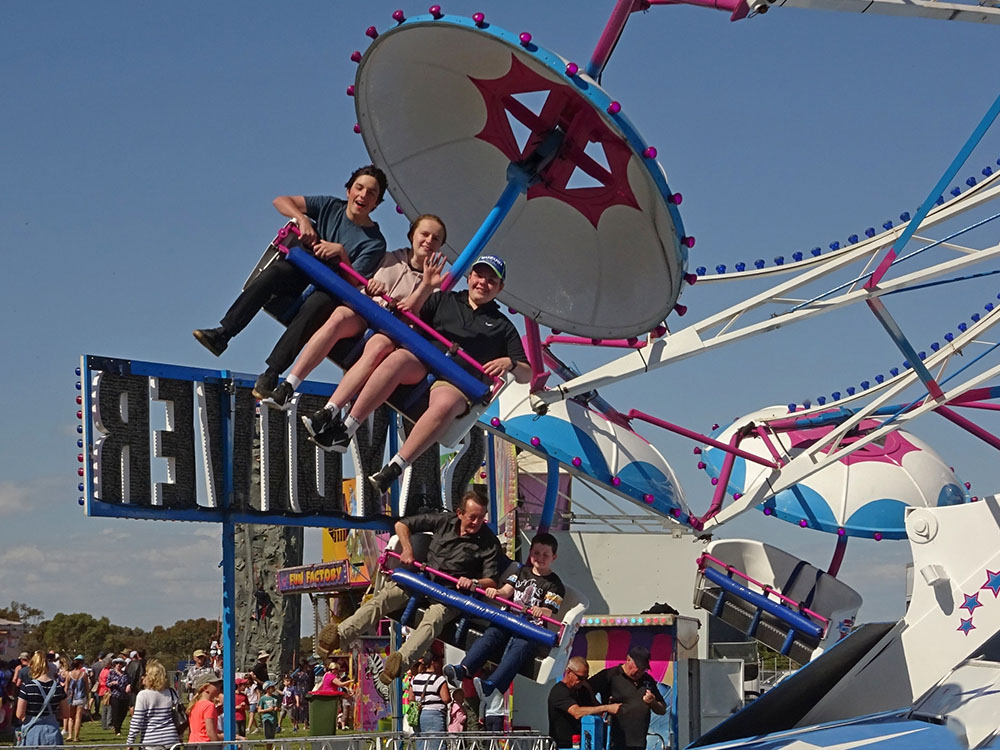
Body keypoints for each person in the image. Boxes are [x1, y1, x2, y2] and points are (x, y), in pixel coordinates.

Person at [303, 256, 530, 494]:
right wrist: (426, 286)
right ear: (470, 276)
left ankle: (396, 466)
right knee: (397, 360)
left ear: (500, 288)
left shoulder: (504, 327)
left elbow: (527, 374)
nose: (484, 283)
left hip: (454, 381)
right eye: (480, 276)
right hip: (423, 361)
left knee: (447, 403)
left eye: (492, 280)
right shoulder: (443, 299)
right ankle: (346, 428)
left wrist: (510, 362)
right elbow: (407, 314)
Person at [193, 165, 389, 399]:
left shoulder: (375, 242)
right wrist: (302, 219)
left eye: (371, 193)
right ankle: (223, 333)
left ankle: (271, 373)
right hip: (302, 270)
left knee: (316, 306)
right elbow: (280, 201)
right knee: (275, 273)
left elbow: (353, 282)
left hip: (332, 287)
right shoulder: (329, 205)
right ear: (348, 191)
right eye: (359, 188)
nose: (363, 196)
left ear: (376, 203)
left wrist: (341, 254)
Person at [317, 490, 503, 684]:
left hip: (451, 594)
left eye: (481, 518)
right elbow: (402, 524)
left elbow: (491, 581)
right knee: (384, 598)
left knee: (433, 621)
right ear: (459, 513)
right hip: (423, 580)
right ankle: (339, 635)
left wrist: (473, 582)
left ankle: (400, 661)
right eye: (472, 517)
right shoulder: (443, 521)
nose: (476, 523)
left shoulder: (488, 542)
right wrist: (407, 549)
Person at [266, 214, 448, 410]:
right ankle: (289, 385)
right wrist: (369, 286)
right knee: (339, 317)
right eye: (425, 234)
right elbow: (358, 279)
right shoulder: (387, 258)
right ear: (412, 235)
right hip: (365, 313)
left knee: (378, 346)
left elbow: (409, 316)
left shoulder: (437, 288)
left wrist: (425, 288)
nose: (429, 241)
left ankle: (331, 411)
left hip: (390, 333)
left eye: (435, 238)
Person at [445, 533, 565, 700]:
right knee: (492, 634)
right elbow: (505, 592)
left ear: (554, 557)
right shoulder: (521, 571)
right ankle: (463, 669)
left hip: (531, 628)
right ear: (530, 552)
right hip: (510, 619)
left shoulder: (555, 584)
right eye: (536, 553)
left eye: (546, 555)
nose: (540, 558)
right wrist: (496, 592)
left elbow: (548, 611)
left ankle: (492, 685)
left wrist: (539, 610)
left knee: (520, 647)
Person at [587, 646, 666, 750]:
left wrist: (653, 702)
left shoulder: (647, 680)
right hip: (613, 740)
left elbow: (662, 709)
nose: (639, 672)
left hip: (639, 742)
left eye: (643, 669)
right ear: (628, 659)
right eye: (638, 667)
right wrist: (600, 707)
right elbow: (586, 689)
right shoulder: (610, 675)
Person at [547, 657, 621, 748]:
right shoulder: (559, 691)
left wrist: (590, 690)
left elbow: (596, 710)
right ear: (569, 672)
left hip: (583, 744)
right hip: (563, 745)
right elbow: (576, 712)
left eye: (585, 678)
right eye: (580, 678)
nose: (582, 681)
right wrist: (606, 707)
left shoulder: (582, 690)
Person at [16, 651, 70, 746]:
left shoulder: (27, 687)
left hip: (32, 731)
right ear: (47, 666)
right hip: (52, 731)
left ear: (32, 666)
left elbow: (20, 714)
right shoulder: (58, 688)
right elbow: (65, 714)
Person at [126, 658, 181, 750]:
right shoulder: (172, 692)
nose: (143, 677)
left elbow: (137, 721)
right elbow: (177, 717)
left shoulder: (143, 695)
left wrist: (130, 743)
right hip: (171, 740)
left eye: (146, 674)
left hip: (151, 741)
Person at [411, 655, 449, 739]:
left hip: (419, 714)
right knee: (437, 744)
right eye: (438, 661)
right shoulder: (439, 679)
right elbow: (446, 699)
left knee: (422, 744)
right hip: (435, 714)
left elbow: (411, 697)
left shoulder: (416, 678)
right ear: (433, 663)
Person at [187, 672, 223, 744]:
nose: (219, 686)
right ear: (206, 688)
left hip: (192, 743)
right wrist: (218, 746)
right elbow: (210, 732)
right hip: (205, 744)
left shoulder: (195, 704)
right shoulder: (209, 705)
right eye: (215, 684)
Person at [63, 655, 90, 742]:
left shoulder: (69, 674)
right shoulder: (84, 674)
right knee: (78, 717)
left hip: (71, 697)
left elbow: (66, 687)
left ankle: (70, 735)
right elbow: (86, 687)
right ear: (80, 664)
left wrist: (65, 697)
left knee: (71, 718)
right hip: (80, 697)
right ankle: (76, 737)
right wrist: (88, 698)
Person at [105, 657, 130, 736]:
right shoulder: (111, 673)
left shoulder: (125, 674)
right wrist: (112, 683)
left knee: (123, 713)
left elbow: (129, 682)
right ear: (115, 665)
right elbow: (107, 683)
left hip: (125, 696)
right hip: (115, 695)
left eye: (120, 663)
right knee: (116, 712)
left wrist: (129, 686)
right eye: (117, 663)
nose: (119, 665)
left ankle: (119, 725)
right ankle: (117, 729)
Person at [256, 681, 279, 745]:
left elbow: (279, 708)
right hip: (266, 719)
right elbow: (259, 710)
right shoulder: (263, 698)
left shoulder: (276, 698)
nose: (274, 688)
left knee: (272, 737)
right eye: (272, 687)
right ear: (267, 689)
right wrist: (268, 710)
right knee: (268, 737)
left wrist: (277, 709)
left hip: (274, 719)